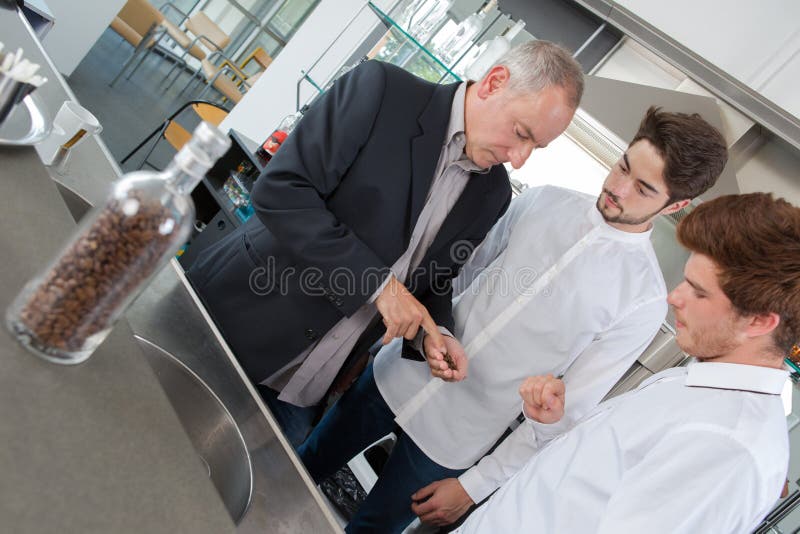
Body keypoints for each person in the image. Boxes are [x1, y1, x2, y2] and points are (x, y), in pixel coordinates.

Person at [298, 107, 729, 532]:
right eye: (622, 166)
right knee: (299, 468)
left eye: (643, 188)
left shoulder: (643, 300)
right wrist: (399, 341)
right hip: (395, 373)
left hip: (454, 441)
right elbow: (453, 278)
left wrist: (473, 486)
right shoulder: (543, 200)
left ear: (678, 204)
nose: (618, 187)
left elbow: (566, 412)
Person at [187, 41, 583, 445]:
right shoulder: (383, 91)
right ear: (494, 83)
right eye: (521, 134)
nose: (520, 159)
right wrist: (378, 286)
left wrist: (437, 333)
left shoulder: (494, 192)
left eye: (536, 148)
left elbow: (435, 280)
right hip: (234, 327)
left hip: (306, 390)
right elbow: (283, 190)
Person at [457, 192, 800, 533]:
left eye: (699, 292)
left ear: (758, 322)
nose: (674, 296)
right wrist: (553, 426)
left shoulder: (727, 449)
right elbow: (589, 487)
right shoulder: (699, 382)